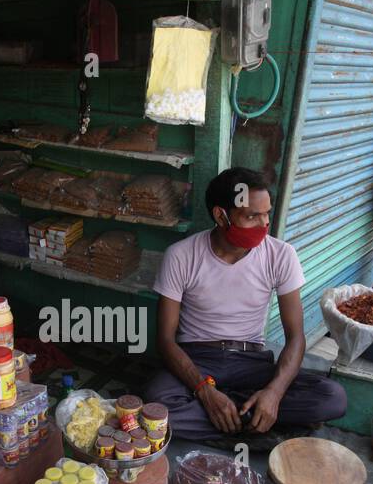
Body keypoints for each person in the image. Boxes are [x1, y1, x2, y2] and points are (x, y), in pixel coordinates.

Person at [144, 167, 347, 446]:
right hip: (198, 362)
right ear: (221, 215)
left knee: (332, 397)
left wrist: (273, 393)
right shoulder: (181, 256)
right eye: (252, 216)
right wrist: (204, 391)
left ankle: (236, 415)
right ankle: (254, 431)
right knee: (156, 402)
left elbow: (296, 337)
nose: (264, 224)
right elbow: (165, 341)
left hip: (251, 363)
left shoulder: (281, 255)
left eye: (266, 214)